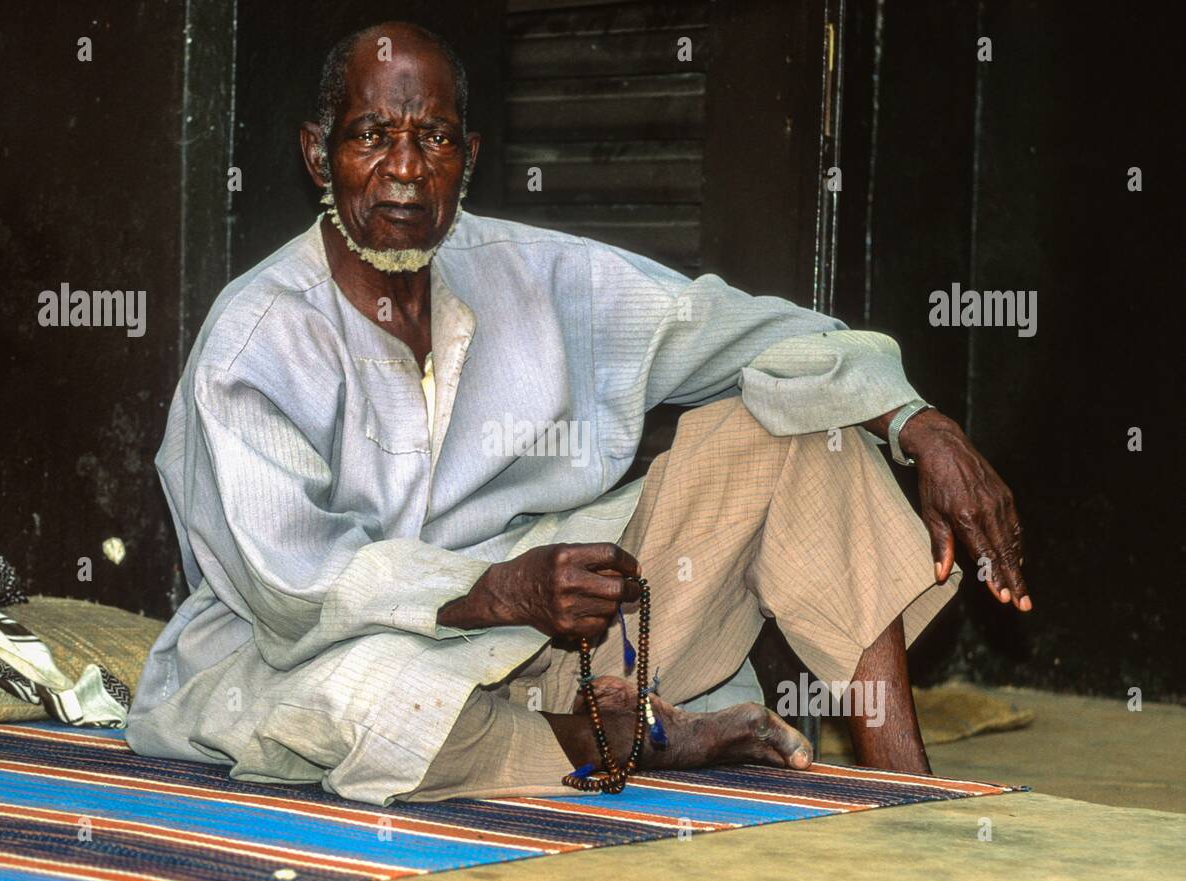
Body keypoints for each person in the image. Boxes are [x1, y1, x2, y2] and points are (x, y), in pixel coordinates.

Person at [125, 21, 1029, 805]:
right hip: (324, 648)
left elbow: (747, 330)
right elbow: (292, 589)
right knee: (369, 705)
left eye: (433, 138)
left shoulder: (539, 273)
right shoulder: (255, 340)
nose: (404, 170)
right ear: (320, 154)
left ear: (468, 160)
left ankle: (910, 796)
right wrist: (491, 589)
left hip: (563, 636)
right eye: (372, 135)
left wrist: (917, 424)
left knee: (809, 432)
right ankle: (627, 740)